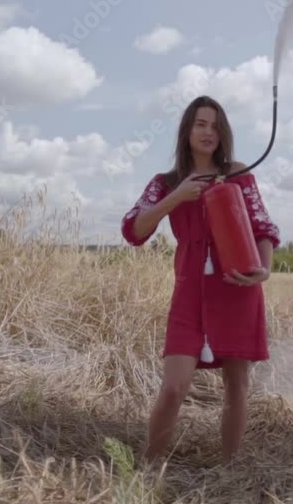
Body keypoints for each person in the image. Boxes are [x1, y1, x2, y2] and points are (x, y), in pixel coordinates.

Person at [120, 95, 281, 466]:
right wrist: (177, 197)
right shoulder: (165, 183)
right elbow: (134, 230)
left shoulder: (238, 173)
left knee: (236, 388)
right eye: (200, 124)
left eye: (215, 124)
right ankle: (149, 468)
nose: (209, 132)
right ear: (186, 131)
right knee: (174, 386)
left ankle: (229, 469)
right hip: (189, 294)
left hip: (237, 289)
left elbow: (264, 227)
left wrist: (265, 269)